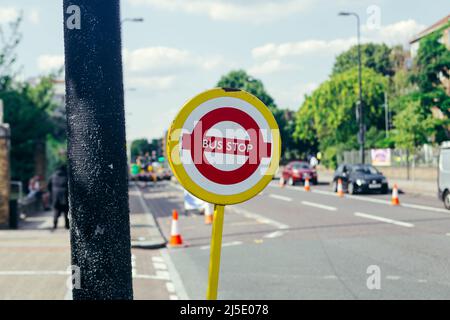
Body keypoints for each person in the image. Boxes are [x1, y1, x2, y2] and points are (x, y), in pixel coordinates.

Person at [48, 165, 69, 230]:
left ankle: (55, 225)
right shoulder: (67, 176)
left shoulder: (53, 176)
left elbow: (48, 186)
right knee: (66, 211)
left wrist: (52, 192)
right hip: (65, 196)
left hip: (55, 196)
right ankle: (67, 226)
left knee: (56, 211)